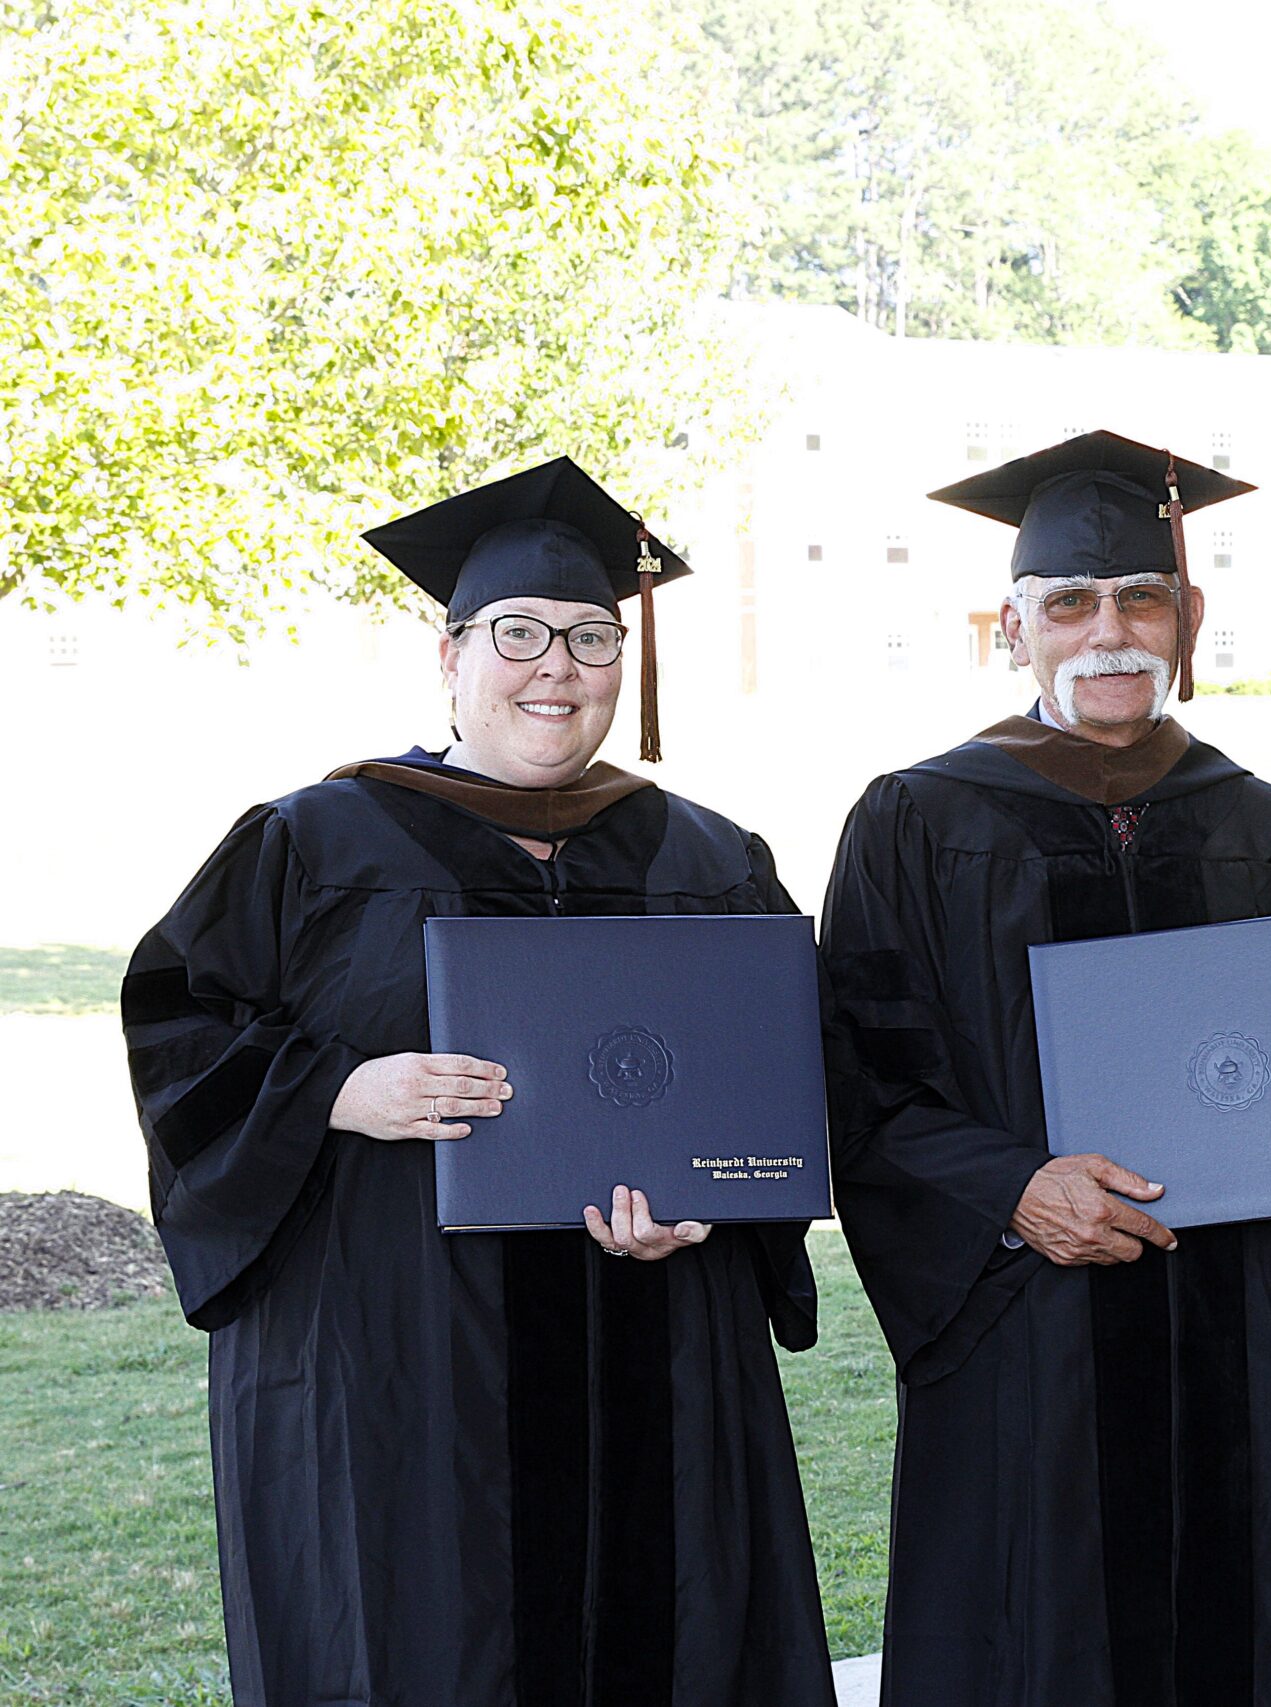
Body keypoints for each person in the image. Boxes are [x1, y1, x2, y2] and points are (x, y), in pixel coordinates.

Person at [123, 458, 834, 1707]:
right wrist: (339, 1090)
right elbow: (177, 1029)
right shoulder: (314, 841)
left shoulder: (711, 857)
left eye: (589, 636)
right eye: (518, 634)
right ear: (447, 654)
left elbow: (780, 1082)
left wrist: (712, 1204)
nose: (555, 666)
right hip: (402, 1368)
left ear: (625, 659)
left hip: (658, 1354)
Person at [822, 430, 1271, 1707]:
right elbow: (857, 1079)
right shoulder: (918, 820)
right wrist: (1009, 1189)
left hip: (1245, 1316)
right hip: (1028, 1313)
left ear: (1187, 616)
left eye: (1141, 598)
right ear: (1012, 625)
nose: (1111, 630)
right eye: (1071, 604)